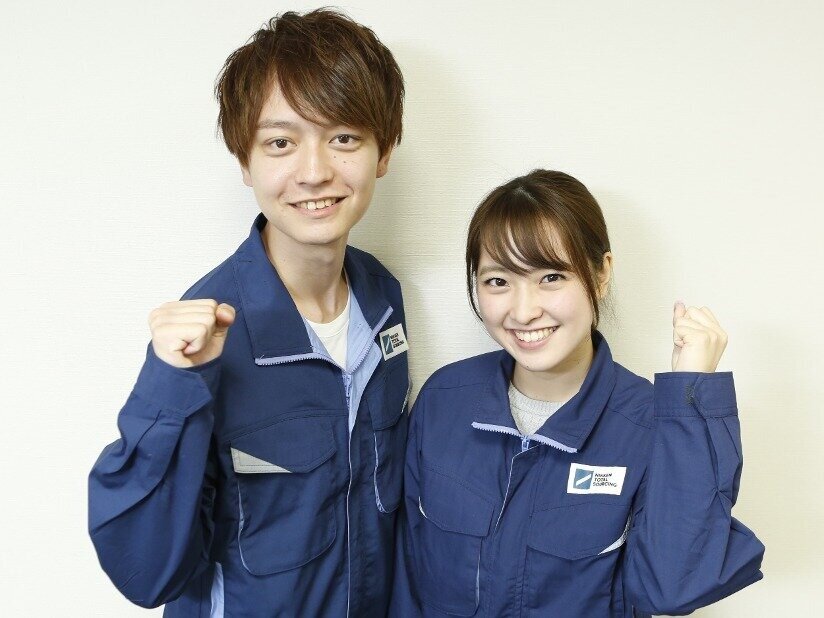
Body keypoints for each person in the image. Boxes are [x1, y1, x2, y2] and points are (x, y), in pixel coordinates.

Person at [88, 9, 410, 617]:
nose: (314, 172)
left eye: (344, 137)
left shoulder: (383, 299)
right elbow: (145, 575)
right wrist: (169, 387)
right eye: (281, 142)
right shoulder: (206, 335)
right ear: (245, 161)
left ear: (384, 150)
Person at [391, 170, 764, 617]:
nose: (523, 312)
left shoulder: (650, 423)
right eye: (498, 281)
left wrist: (690, 394)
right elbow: (407, 580)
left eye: (551, 277)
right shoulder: (445, 399)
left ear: (601, 274)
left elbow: (674, 587)